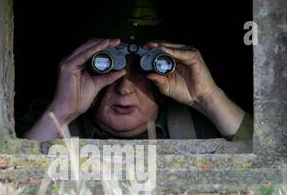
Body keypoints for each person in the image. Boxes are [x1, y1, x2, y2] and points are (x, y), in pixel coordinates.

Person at [24, 37, 252, 142]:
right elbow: (6, 176)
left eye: (142, 70)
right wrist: (62, 110)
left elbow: (277, 159)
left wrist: (209, 98)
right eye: (108, 67)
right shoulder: (45, 120)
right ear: (86, 67)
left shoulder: (200, 126)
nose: (124, 88)